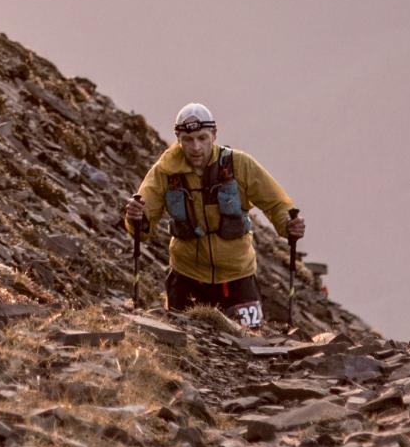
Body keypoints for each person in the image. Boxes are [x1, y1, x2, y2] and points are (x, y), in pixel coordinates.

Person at [122, 102, 304, 327]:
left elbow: (276, 203)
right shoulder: (164, 172)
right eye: (188, 140)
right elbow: (143, 219)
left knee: (250, 349)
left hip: (238, 277)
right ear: (178, 138)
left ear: (214, 135)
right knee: (184, 350)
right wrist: (135, 218)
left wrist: (288, 224)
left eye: (202, 138)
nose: (196, 147)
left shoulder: (240, 165)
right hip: (186, 277)